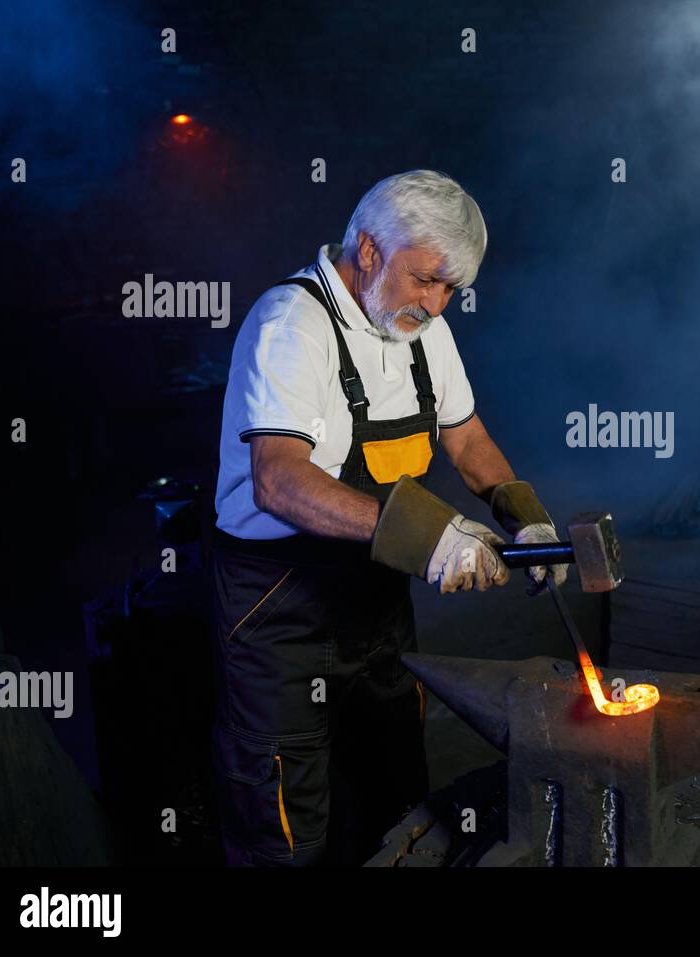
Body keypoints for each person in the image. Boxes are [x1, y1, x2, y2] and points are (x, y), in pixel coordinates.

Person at [207, 170, 567, 865]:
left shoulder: (419, 329)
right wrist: (432, 535)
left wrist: (525, 516)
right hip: (278, 611)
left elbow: (465, 439)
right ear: (369, 251)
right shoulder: (291, 325)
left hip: (376, 604)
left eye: (450, 289)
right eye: (426, 279)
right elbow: (279, 479)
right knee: (284, 825)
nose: (436, 306)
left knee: (398, 804)